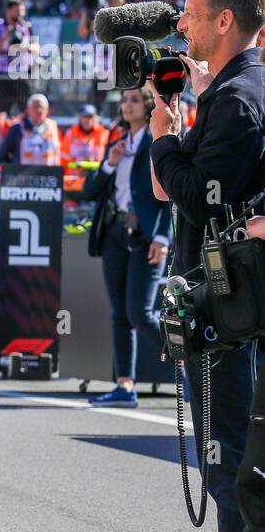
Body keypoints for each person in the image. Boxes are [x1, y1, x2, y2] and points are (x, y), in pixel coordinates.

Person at [149, 0, 265, 532]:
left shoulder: (239, 97)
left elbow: (194, 195)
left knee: (227, 461)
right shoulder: (231, 89)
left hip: (228, 305)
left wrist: (165, 138)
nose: (181, 22)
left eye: (190, 11)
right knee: (235, 461)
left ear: (225, 20)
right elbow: (184, 185)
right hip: (230, 299)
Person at [81, 86, 170, 408]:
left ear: (148, 106)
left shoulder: (158, 139)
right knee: (120, 314)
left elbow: (169, 197)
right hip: (115, 233)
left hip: (145, 237)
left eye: (134, 100)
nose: (127, 106)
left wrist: (163, 238)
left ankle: (191, 357)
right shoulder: (117, 142)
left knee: (140, 313)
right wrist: (108, 164)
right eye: (124, 101)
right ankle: (124, 386)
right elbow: (89, 192)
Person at [0, 0, 39, 114]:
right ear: (8, 11)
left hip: (23, 75)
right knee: (3, 110)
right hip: (3, 76)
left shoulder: (26, 26)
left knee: (26, 110)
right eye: (17, 11)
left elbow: (37, 48)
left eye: (21, 11)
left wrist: (25, 47)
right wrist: (6, 36)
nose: (19, 14)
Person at [0, 93, 61, 166]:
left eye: (42, 107)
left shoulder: (53, 127)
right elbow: (2, 155)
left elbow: (58, 153)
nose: (39, 110)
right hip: (23, 175)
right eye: (35, 107)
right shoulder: (17, 128)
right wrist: (14, 168)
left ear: (47, 110)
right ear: (28, 109)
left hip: (48, 175)